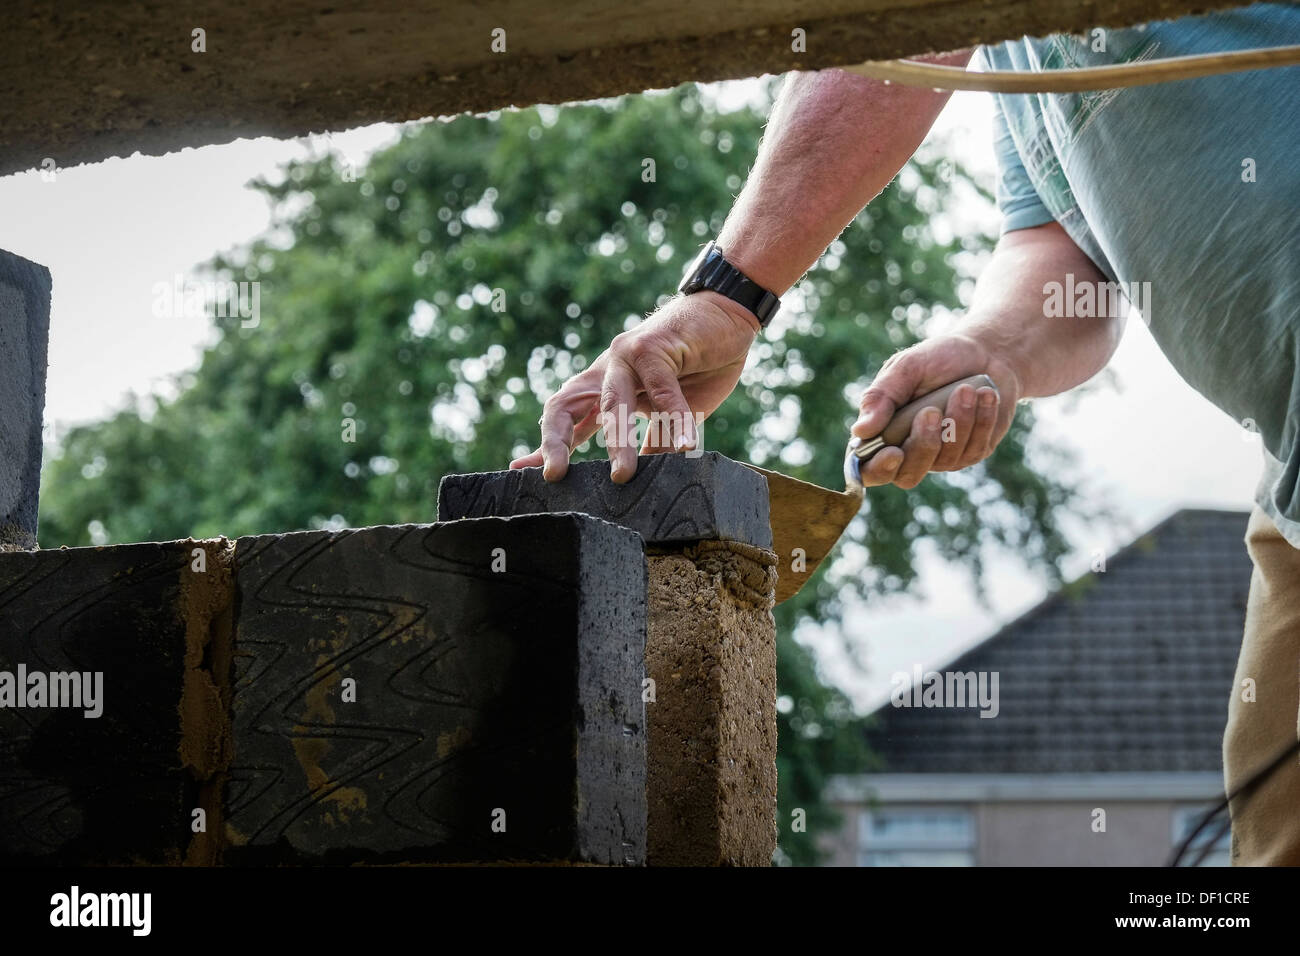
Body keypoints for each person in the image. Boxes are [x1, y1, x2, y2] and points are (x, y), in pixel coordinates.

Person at [509, 4, 1300, 865]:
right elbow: (1068, 256)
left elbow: (899, 24)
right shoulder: (1024, 60)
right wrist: (993, 352)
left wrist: (729, 292)